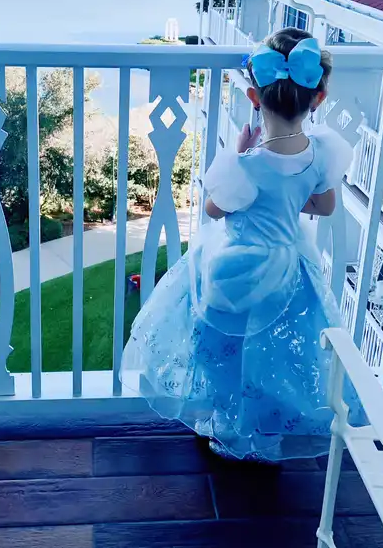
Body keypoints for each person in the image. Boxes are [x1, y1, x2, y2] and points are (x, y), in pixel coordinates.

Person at [121, 27, 364, 462]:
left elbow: (215, 210)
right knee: (270, 356)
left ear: (254, 98)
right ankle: (265, 435)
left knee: (221, 352)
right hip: (288, 268)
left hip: (235, 268)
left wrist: (240, 156)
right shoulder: (319, 155)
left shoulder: (245, 164)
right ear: (318, 99)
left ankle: (226, 425)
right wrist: (287, 198)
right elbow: (325, 206)